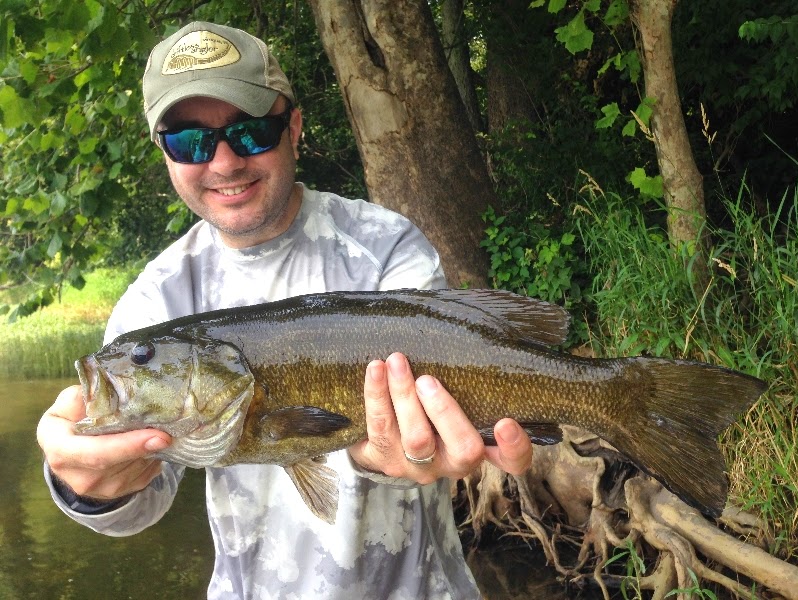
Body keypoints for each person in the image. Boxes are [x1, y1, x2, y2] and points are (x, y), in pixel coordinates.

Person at [37, 21, 533, 599]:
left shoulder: (383, 245)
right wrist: (87, 486)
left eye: (250, 133)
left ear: (293, 128)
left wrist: (387, 453)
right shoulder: (155, 302)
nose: (223, 163)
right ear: (165, 156)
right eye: (189, 141)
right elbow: (141, 504)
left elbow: (442, 389)